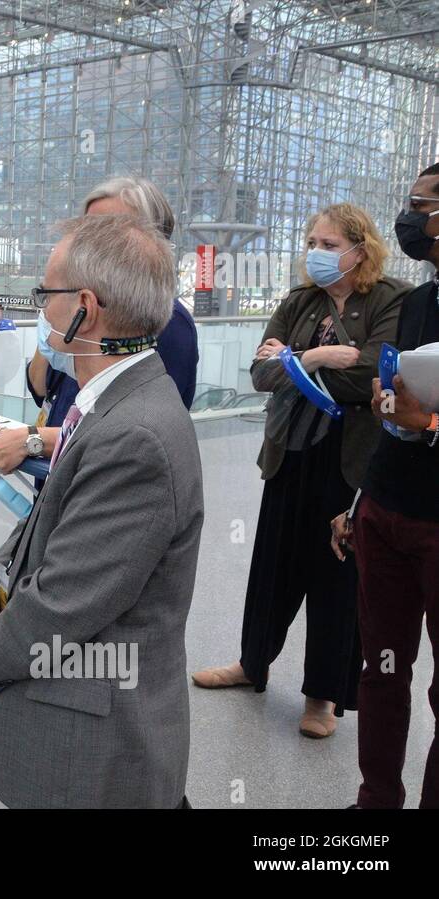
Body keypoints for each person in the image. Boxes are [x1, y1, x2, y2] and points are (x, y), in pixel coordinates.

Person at [0, 214, 203, 808]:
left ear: (84, 308)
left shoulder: (134, 434)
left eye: (47, 295)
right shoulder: (110, 403)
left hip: (94, 748)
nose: (41, 309)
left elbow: (66, 599)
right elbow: (45, 523)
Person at [192, 203, 410, 738]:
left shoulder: (392, 300)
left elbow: (374, 378)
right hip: (291, 451)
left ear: (361, 249)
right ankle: (252, 663)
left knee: (337, 575)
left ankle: (323, 696)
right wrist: (313, 359)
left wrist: (295, 357)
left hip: (352, 461)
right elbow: (262, 374)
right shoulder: (300, 301)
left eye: (330, 244)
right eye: (313, 241)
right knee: (273, 565)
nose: (317, 252)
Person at [331, 162, 439, 807]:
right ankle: (377, 805)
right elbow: (403, 399)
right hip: (389, 506)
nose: (410, 215)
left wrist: (431, 420)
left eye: (421, 204)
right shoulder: (422, 300)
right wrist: (359, 499)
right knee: (382, 670)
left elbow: (428, 412)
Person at [0, 176, 198, 475]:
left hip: (98, 475)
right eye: (84, 230)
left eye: (108, 231)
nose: (88, 244)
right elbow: (41, 388)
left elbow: (134, 433)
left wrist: (34, 440)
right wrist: (56, 318)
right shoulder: (80, 311)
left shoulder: (168, 323)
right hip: (60, 473)